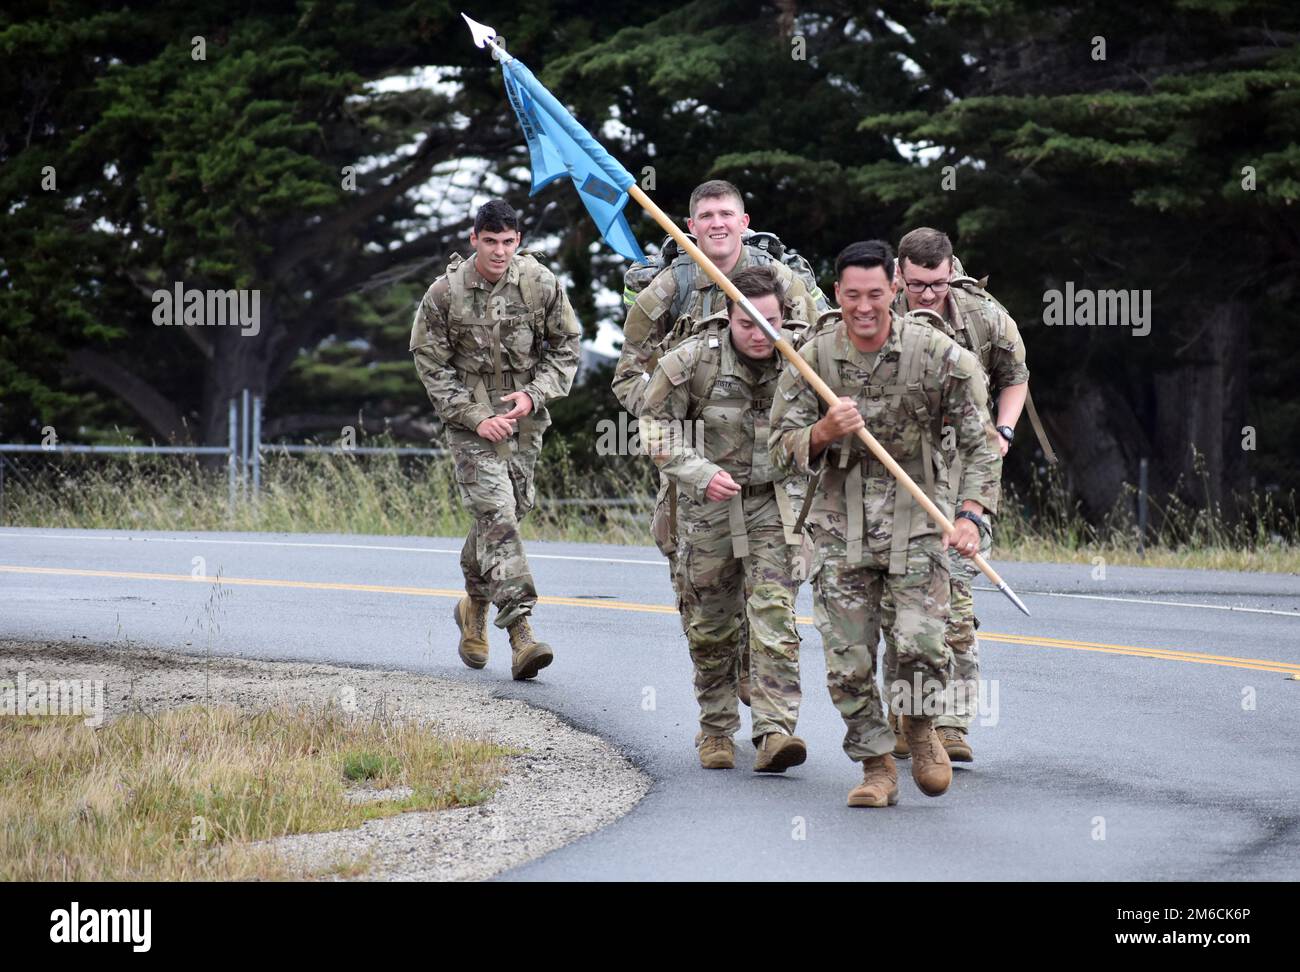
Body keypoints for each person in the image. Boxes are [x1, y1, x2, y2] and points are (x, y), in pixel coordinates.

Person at [770, 240, 1001, 807]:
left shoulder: (938, 355)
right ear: (838, 293)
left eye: (876, 294)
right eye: (852, 296)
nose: (864, 307)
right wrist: (824, 430)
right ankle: (876, 766)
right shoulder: (812, 357)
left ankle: (920, 729)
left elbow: (981, 445)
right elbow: (777, 448)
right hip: (838, 526)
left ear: (894, 290)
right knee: (847, 662)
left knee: (921, 645)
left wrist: (971, 515)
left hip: (919, 520)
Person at [614, 179, 821, 705]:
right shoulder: (667, 288)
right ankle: (720, 683)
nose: (717, 224)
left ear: (745, 221)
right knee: (701, 592)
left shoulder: (782, 282)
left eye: (726, 214)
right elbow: (627, 376)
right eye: (706, 216)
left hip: (770, 461)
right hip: (691, 462)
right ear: (691, 226)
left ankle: (759, 670)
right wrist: (671, 412)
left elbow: (823, 354)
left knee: (771, 587)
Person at [639, 266, 807, 772]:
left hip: (775, 504)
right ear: (728, 318)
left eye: (771, 322)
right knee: (710, 625)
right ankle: (715, 728)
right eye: (749, 323)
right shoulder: (692, 361)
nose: (761, 334)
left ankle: (775, 731)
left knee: (774, 617)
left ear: (786, 317)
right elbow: (653, 428)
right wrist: (697, 470)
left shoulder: (807, 359)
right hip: (706, 506)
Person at [410, 199, 580, 680]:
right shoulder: (445, 294)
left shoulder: (540, 284)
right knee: (498, 514)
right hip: (471, 427)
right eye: (490, 242)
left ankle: (473, 607)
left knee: (506, 515)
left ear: (518, 241)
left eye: (508, 242)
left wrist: (534, 395)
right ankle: (521, 630)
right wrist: (475, 416)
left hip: (525, 420)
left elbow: (566, 348)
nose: (499, 251)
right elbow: (431, 366)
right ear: (474, 240)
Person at [881, 227, 1033, 762]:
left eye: (938, 284)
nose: (928, 294)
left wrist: (1004, 431)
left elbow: (1016, 376)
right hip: (892, 474)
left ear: (952, 272)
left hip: (963, 470)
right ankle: (904, 714)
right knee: (895, 607)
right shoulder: (874, 311)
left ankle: (950, 722)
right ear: (899, 273)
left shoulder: (982, 314)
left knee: (956, 601)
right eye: (918, 284)